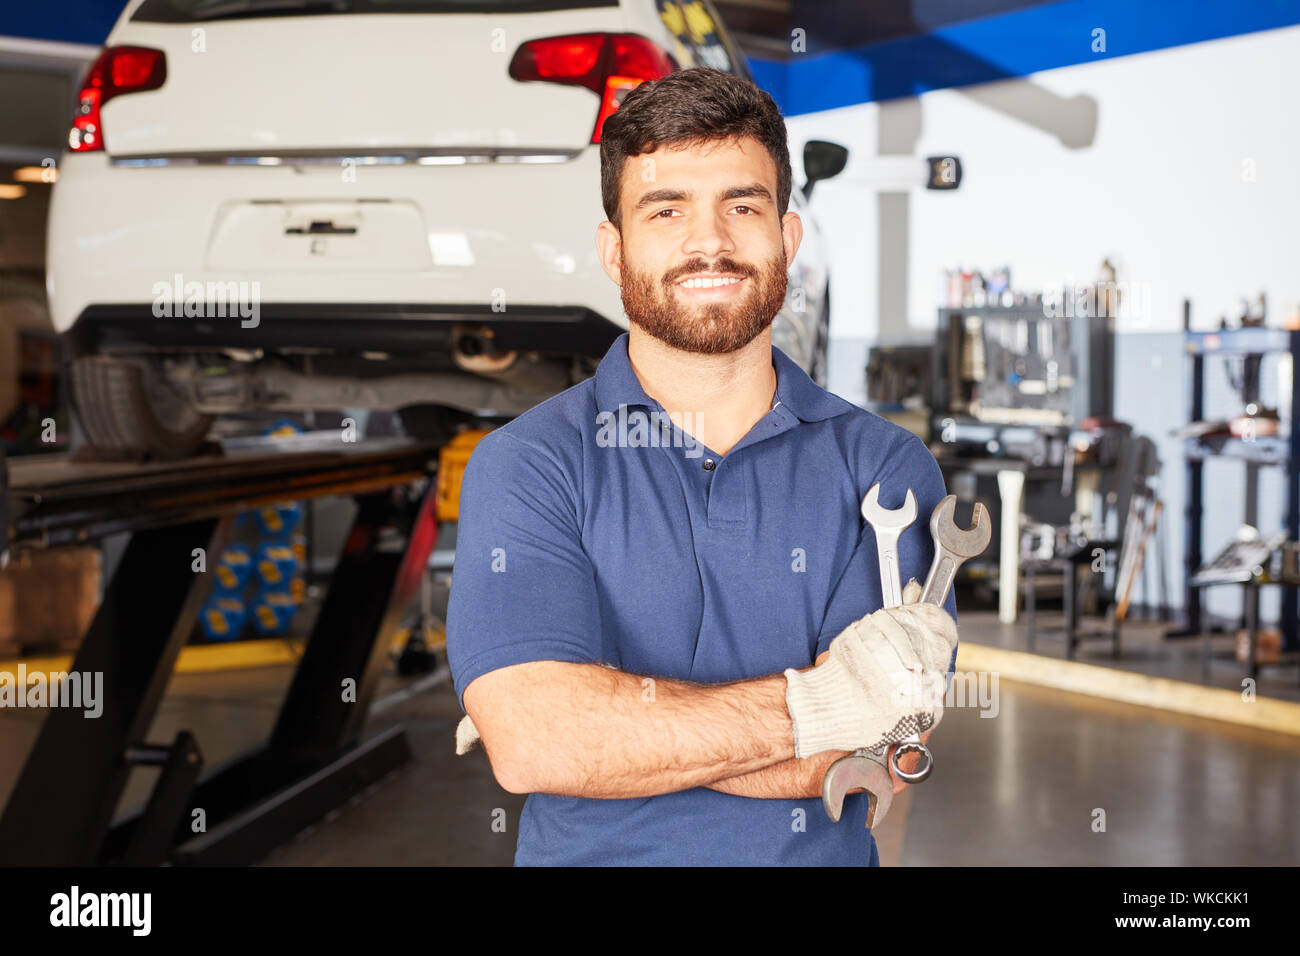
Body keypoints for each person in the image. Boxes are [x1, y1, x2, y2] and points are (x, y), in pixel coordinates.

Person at [446, 66, 958, 866]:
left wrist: (612, 739)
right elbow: (537, 744)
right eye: (667, 209)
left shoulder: (885, 468)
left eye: (742, 206)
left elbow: (870, 750)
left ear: (786, 238)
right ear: (614, 252)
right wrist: (821, 700)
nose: (709, 242)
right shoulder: (528, 463)